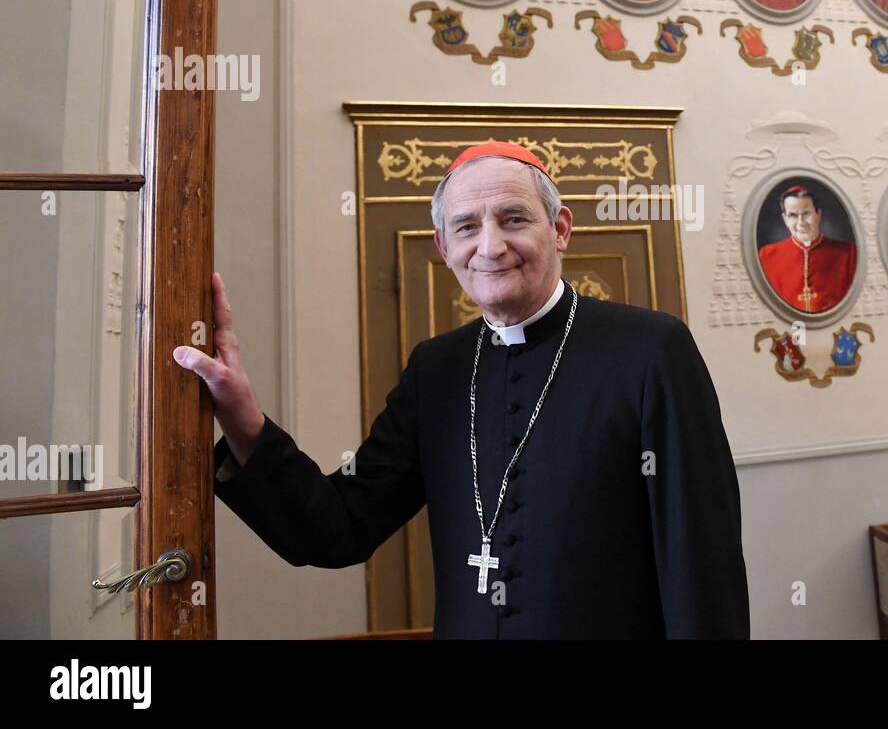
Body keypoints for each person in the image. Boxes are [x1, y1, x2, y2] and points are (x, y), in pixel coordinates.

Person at [175, 141, 749, 639]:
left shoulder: (651, 351)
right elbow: (338, 529)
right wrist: (244, 419)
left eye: (514, 219)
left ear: (561, 229)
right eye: (467, 226)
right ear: (443, 245)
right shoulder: (437, 369)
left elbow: (700, 564)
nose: (491, 246)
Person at [758, 184, 856, 314]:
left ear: (818, 215)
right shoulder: (767, 256)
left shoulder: (848, 253)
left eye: (806, 214)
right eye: (793, 215)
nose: (801, 223)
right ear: (785, 219)